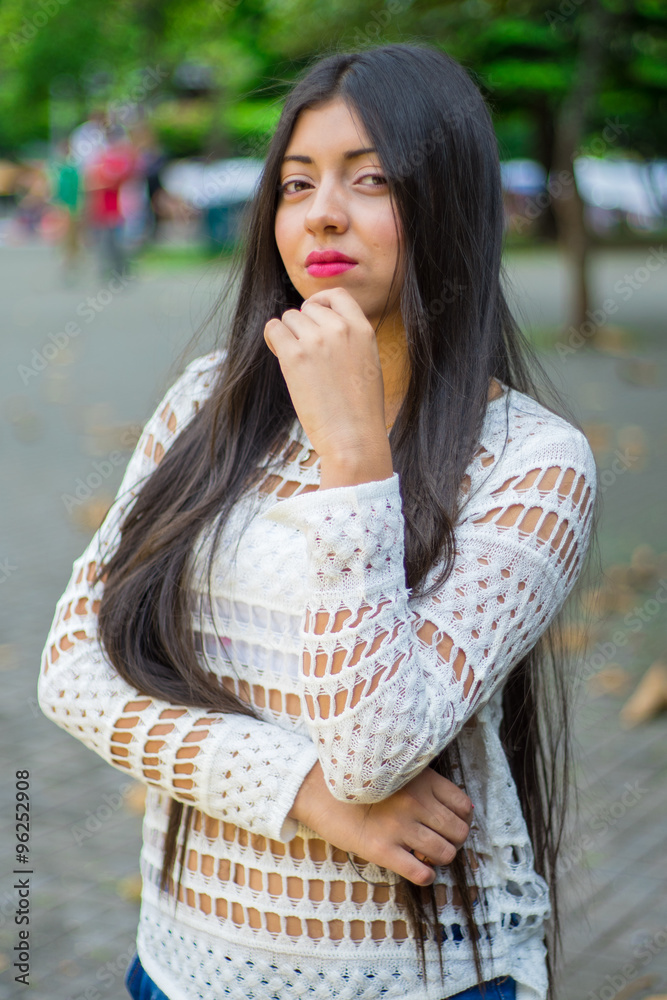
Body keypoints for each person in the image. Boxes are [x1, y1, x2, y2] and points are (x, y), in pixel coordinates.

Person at [37, 43, 600, 1000]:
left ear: (448, 202)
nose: (322, 211)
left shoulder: (535, 463)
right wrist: (298, 795)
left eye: (370, 177)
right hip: (181, 967)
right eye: (297, 183)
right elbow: (72, 672)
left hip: (424, 977)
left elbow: (376, 748)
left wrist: (353, 460)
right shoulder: (208, 402)